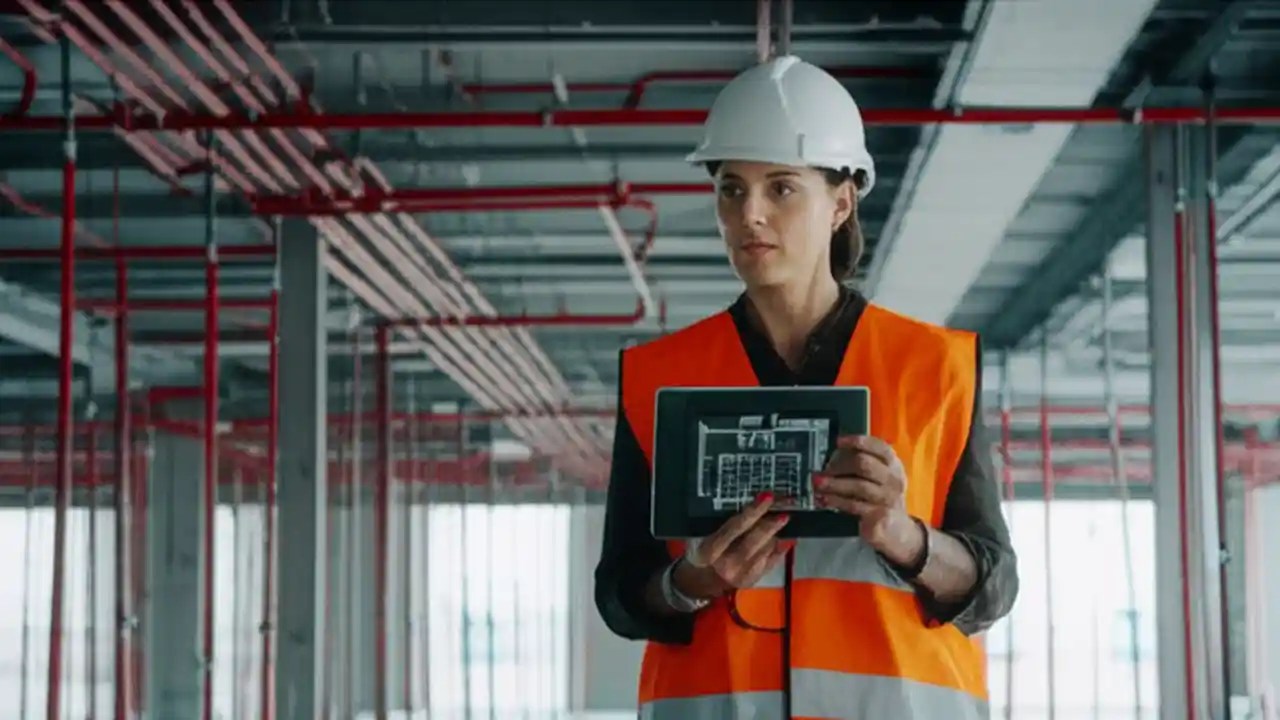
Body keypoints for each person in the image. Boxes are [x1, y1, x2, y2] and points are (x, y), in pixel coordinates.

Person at [593, 55, 1019, 719]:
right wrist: (691, 582)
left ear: (841, 202)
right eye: (732, 189)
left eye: (782, 188)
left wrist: (904, 538)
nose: (750, 215)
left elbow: (993, 587)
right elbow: (620, 594)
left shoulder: (934, 367)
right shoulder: (659, 378)